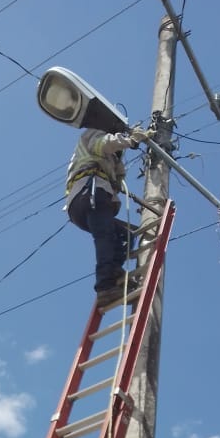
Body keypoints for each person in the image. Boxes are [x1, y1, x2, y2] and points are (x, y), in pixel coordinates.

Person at [65, 126, 148, 307]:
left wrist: (118, 170)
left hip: (81, 202)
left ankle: (114, 271)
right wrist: (132, 140)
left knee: (126, 235)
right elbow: (105, 143)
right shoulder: (95, 133)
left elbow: (117, 175)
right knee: (105, 237)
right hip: (91, 192)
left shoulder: (107, 159)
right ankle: (105, 287)